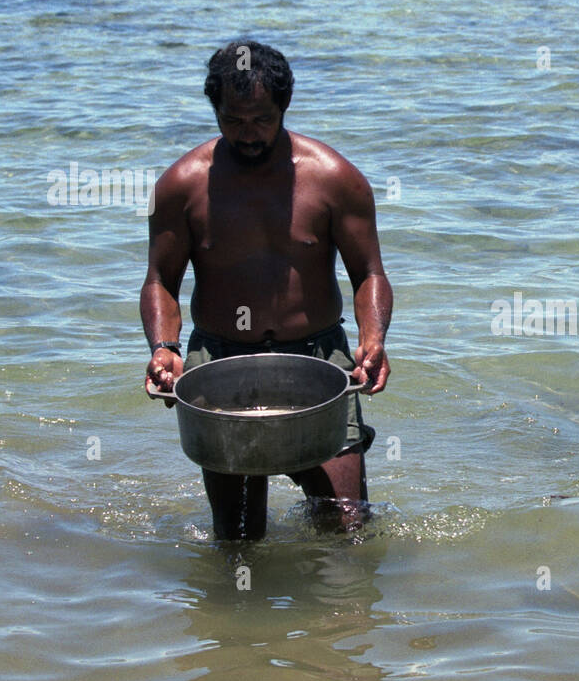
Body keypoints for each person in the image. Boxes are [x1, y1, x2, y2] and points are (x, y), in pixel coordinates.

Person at [141, 40, 392, 541]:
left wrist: (373, 337)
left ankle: (340, 620)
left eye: (261, 120)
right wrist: (165, 349)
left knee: (346, 527)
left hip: (318, 361)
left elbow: (369, 274)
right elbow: (160, 282)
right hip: (220, 364)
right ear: (215, 111)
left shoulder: (335, 179)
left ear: (284, 107)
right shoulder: (182, 185)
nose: (248, 135)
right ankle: (237, 616)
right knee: (237, 537)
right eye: (233, 121)